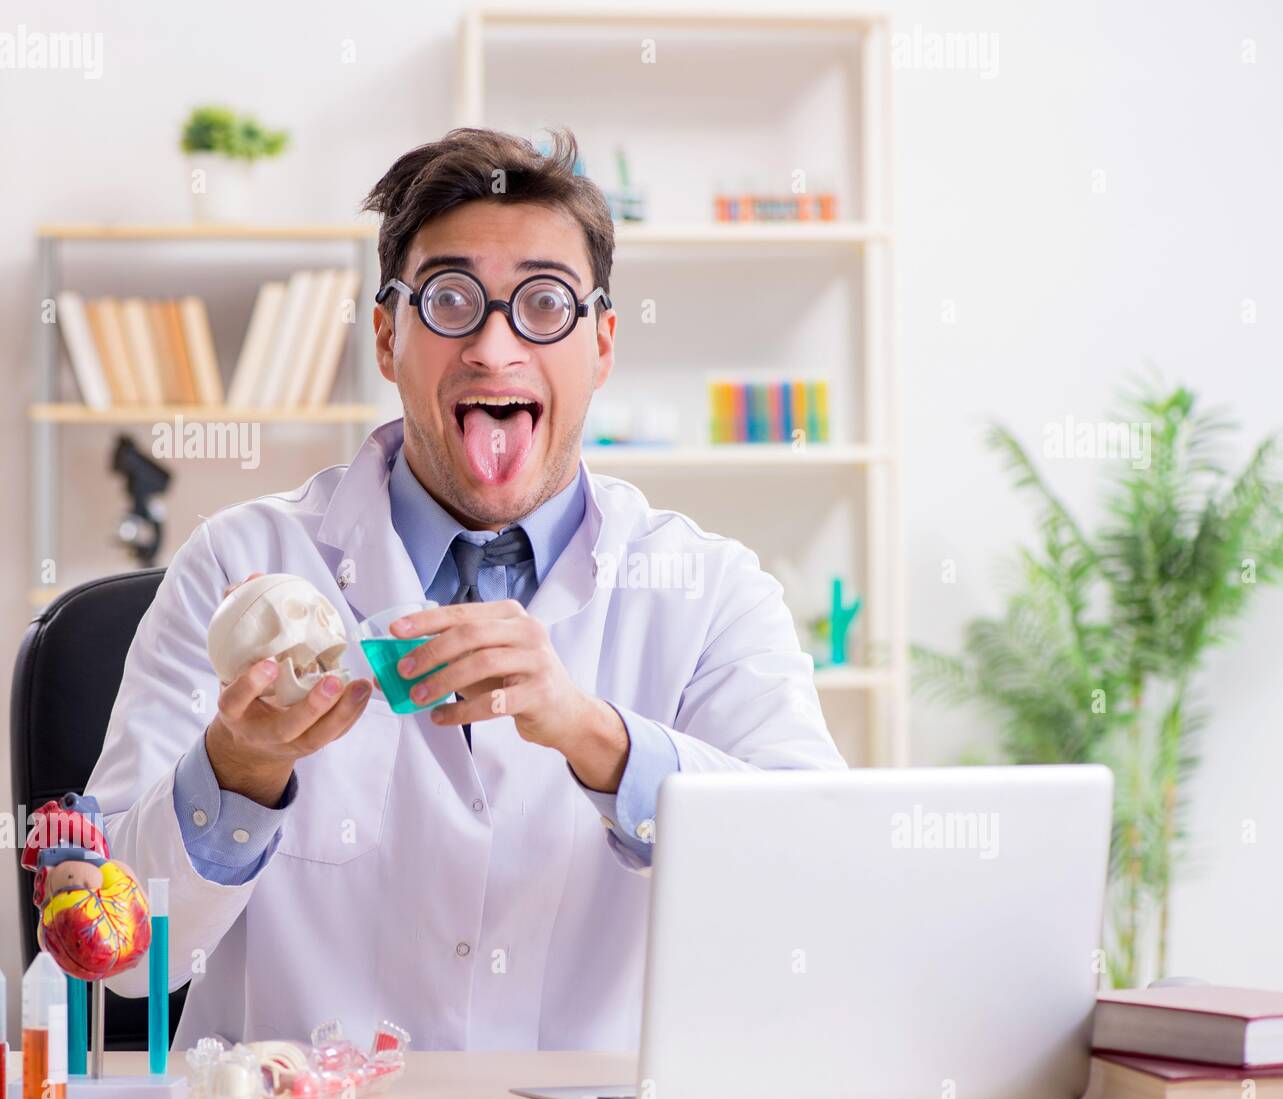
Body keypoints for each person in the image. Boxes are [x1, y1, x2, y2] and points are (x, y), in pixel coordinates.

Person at [93, 126, 845, 1050]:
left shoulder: (708, 590)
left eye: (545, 304)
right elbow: (116, 951)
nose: (494, 348)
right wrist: (239, 772)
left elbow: (816, 888)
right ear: (386, 335)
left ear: (603, 344)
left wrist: (593, 734)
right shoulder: (238, 562)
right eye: (450, 300)